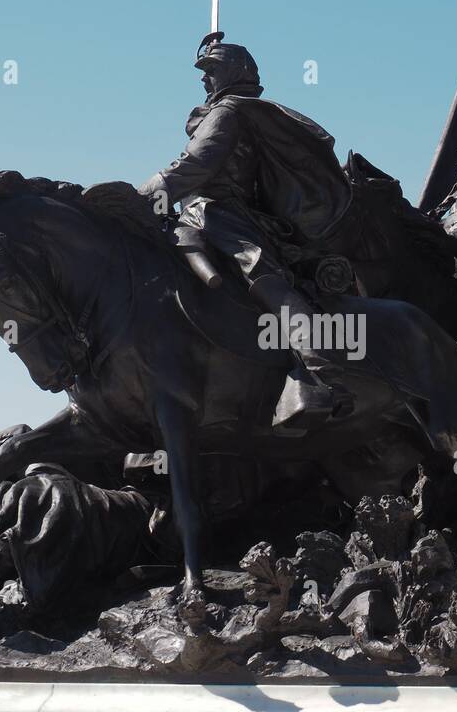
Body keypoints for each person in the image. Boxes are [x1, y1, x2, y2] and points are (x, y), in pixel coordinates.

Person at [138, 33, 357, 429]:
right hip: (196, 215)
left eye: (212, 71)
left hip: (224, 217)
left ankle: (324, 372)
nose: (205, 80)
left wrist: (142, 195)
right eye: (204, 73)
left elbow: (195, 166)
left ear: (235, 72)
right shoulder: (219, 111)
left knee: (263, 277)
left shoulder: (228, 113)